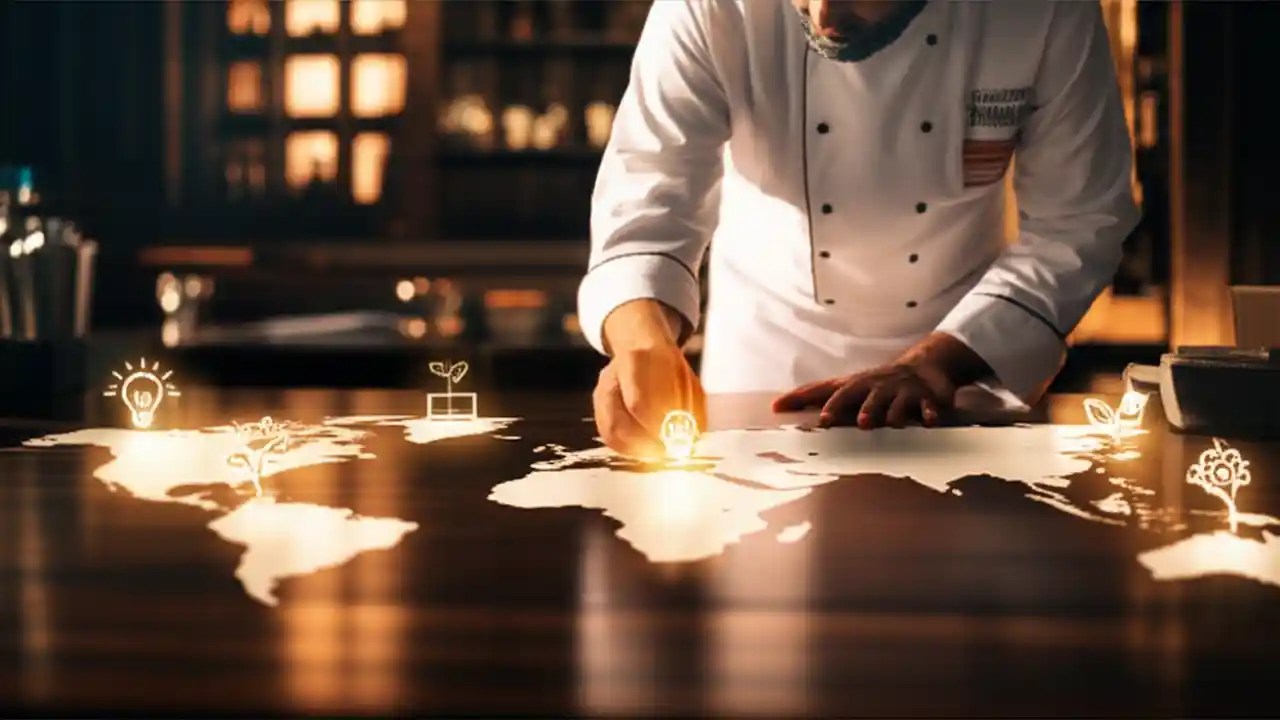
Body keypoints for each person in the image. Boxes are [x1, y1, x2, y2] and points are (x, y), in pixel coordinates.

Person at [579, 0, 1140, 458]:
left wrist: (938, 362)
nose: (823, 14)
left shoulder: (1043, 12)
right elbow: (649, 193)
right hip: (763, 379)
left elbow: (1079, 220)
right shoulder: (710, 7)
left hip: (961, 378)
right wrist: (641, 340)